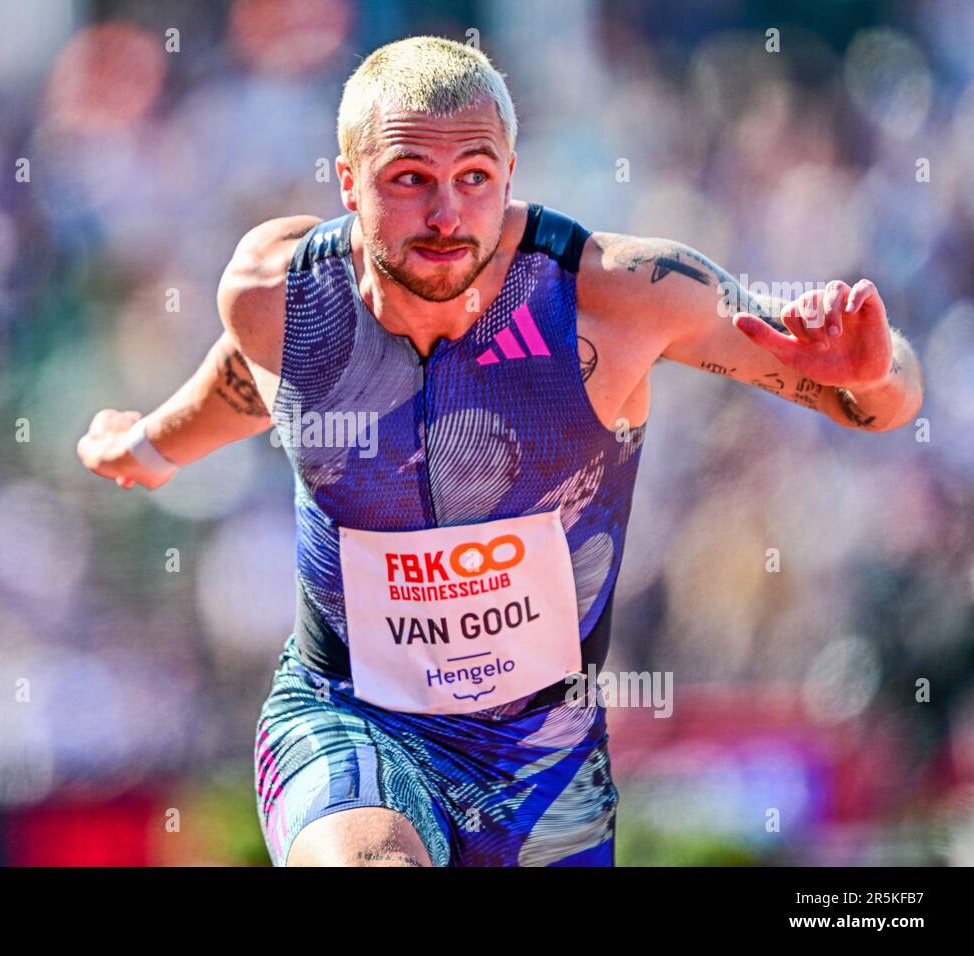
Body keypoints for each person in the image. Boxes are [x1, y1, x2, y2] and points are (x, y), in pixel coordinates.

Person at [77, 36, 924, 866]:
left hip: (543, 764)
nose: (447, 214)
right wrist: (152, 443)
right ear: (347, 184)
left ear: (509, 174)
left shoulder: (616, 299)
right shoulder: (280, 291)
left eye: (474, 177)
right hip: (348, 719)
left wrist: (875, 374)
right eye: (410, 179)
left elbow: (874, 402)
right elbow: (256, 370)